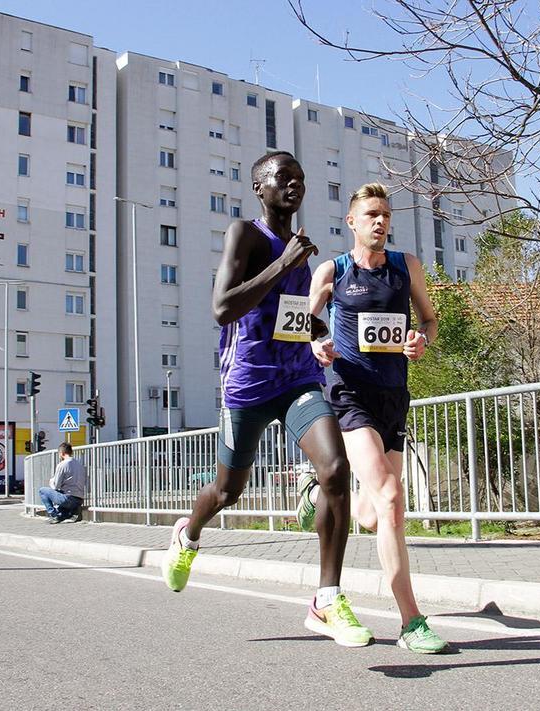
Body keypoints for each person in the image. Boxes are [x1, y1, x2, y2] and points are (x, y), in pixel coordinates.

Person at [161, 151, 373, 648]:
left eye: (300, 178)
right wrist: (284, 263)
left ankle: (326, 599)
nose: (294, 184)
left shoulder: (302, 249)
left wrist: (317, 330)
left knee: (336, 469)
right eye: (283, 178)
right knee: (227, 492)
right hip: (247, 385)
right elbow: (222, 308)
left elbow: (287, 315)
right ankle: (188, 534)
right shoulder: (247, 235)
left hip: (297, 379)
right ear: (260, 187)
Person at [297, 182, 449, 654]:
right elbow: (299, 321)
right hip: (350, 393)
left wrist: (422, 339)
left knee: (372, 512)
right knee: (391, 497)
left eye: (385, 214)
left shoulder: (407, 267)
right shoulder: (334, 270)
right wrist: (316, 343)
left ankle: (320, 498)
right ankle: (411, 620)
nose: (380, 222)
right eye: (371, 215)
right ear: (352, 222)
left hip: (393, 397)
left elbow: (429, 319)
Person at [38, 442, 86, 523]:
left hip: (68, 498)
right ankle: (67, 513)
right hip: (79, 499)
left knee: (42, 490)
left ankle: (53, 514)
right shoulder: (79, 464)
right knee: (62, 505)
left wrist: (51, 482)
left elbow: (56, 486)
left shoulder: (62, 465)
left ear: (62, 453)